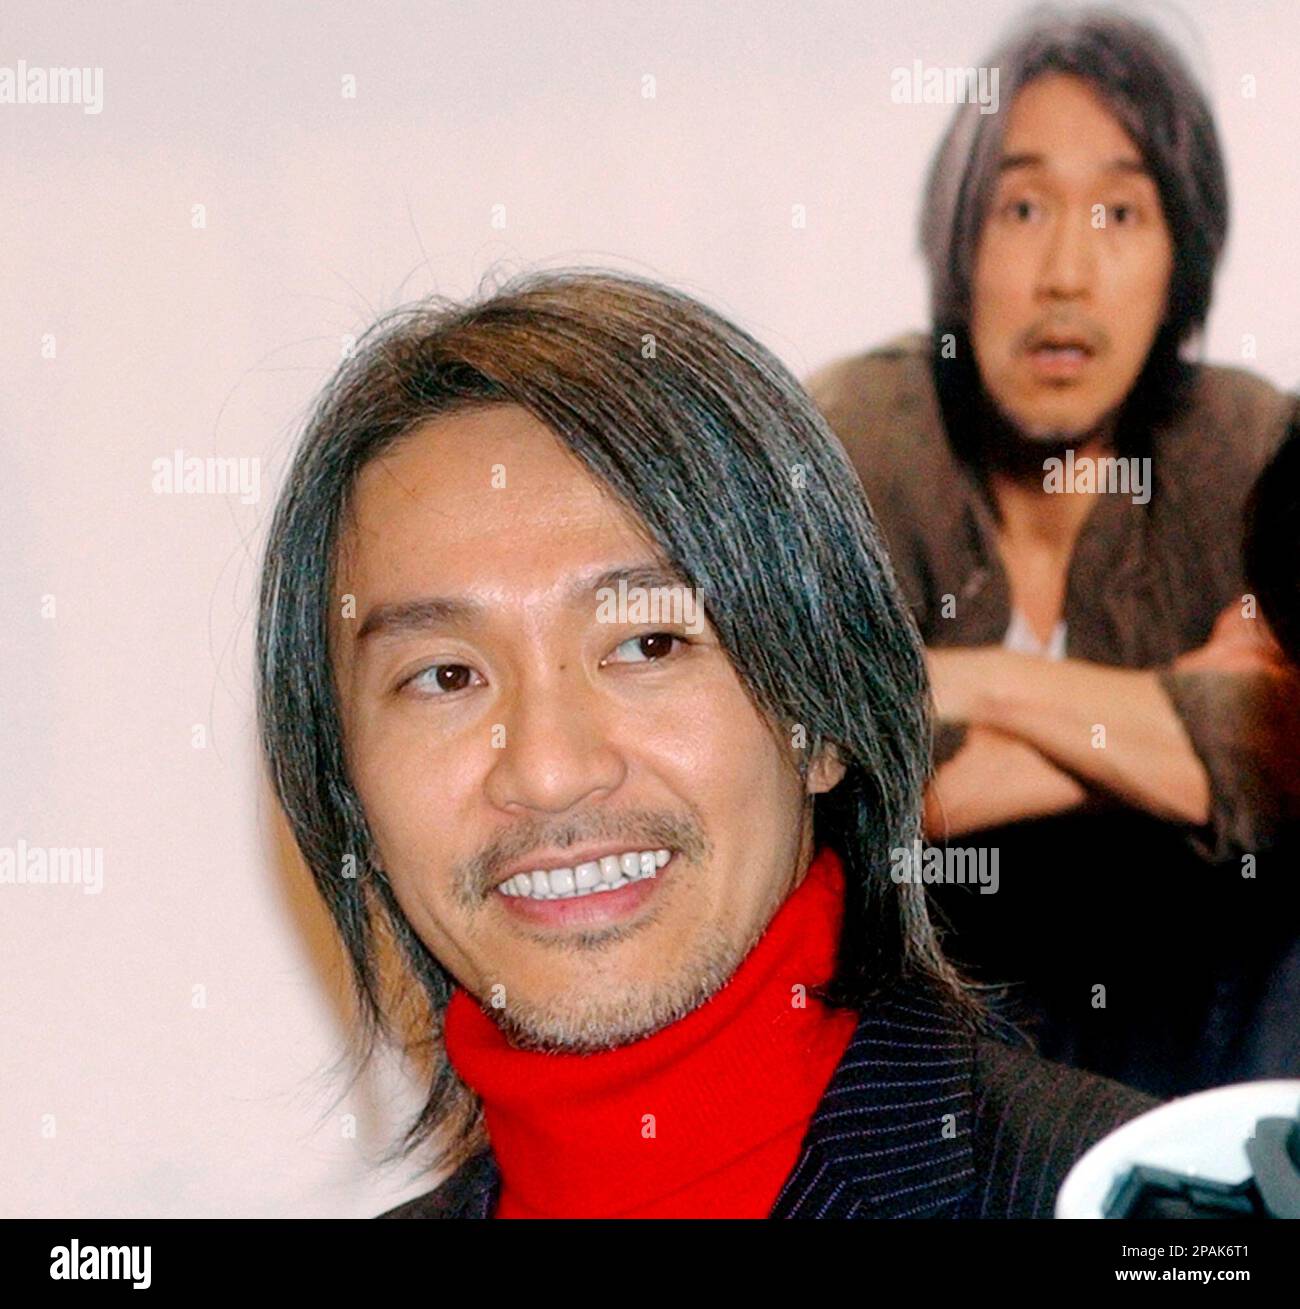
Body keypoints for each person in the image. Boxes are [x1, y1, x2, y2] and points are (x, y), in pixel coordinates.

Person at [255, 269, 1154, 1219]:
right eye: (445, 676)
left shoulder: (1143, 1211)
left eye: (648, 644)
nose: (550, 772)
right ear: (347, 786)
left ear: (822, 717)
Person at [809, 8, 1300, 1098]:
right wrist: (1175, 727)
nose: (1065, 273)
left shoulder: (1244, 449)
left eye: (1120, 211)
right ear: (960, 244)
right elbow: (815, 803)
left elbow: (1285, 774)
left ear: (1181, 255)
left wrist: (961, 691)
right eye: (1021, 207)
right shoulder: (856, 442)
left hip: (1195, 1032)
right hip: (935, 1041)